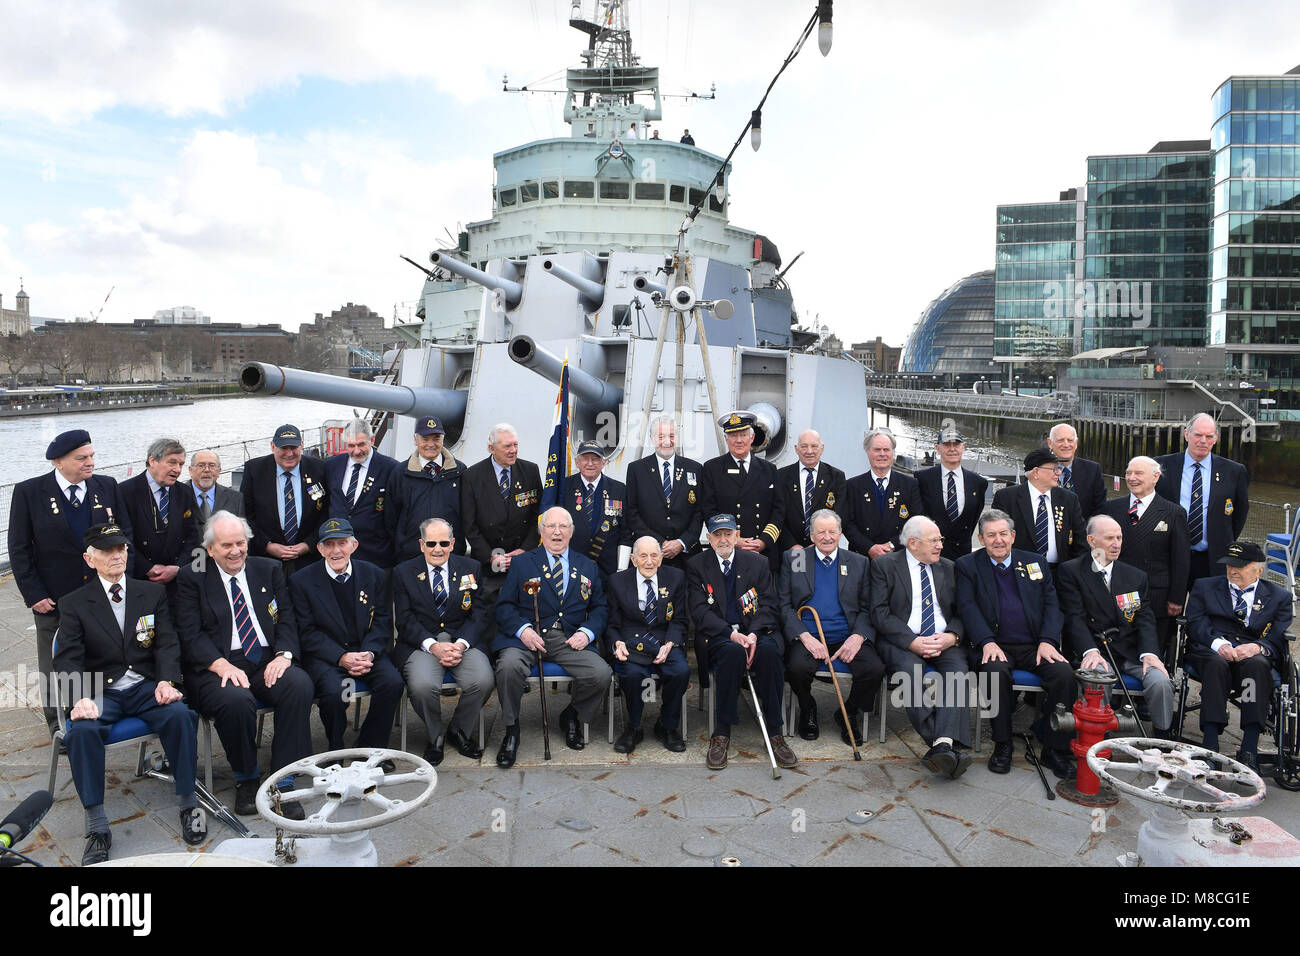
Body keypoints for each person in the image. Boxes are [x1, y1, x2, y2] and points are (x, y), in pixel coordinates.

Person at [52, 523, 203, 865]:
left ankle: (188, 803)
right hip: (100, 692)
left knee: (180, 715)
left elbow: (166, 642)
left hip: (144, 685)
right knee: (81, 733)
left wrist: (167, 681)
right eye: (107, 551)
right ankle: (97, 825)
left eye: (120, 548)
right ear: (89, 559)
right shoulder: (74, 603)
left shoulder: (149, 593)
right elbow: (68, 657)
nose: (117, 555)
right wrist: (79, 698)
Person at [173, 511, 312, 818]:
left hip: (265, 658)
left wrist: (284, 655)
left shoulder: (269, 569)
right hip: (216, 663)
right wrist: (219, 664)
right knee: (235, 700)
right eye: (226, 545)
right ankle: (246, 778)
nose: (236, 551)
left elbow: (287, 617)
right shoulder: (191, 577)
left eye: (240, 542)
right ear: (210, 549)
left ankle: (284, 779)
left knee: (299, 684)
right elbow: (189, 633)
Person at [7, 428, 132, 735]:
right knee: (54, 659)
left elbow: (124, 535)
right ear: (58, 461)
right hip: (54, 595)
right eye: (81, 458)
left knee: (99, 651)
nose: (90, 462)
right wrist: (33, 593)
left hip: (101, 591)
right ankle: (58, 722)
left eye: (91, 456)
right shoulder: (29, 492)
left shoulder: (106, 486)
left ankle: (93, 708)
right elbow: (19, 548)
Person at [954, 509, 1076, 777]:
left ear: (1013, 535)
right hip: (994, 645)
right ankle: (1002, 744)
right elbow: (967, 607)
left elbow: (1052, 605)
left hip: (1035, 646)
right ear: (981, 538)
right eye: (991, 535)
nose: (998, 540)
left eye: (1003, 534)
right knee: (995, 673)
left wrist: (1047, 641)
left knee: (1064, 675)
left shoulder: (1035, 562)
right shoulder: (967, 565)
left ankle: (1054, 749)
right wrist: (986, 641)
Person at [491, 507, 611, 769]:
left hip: (569, 638)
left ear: (571, 532)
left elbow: (601, 608)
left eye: (563, 526)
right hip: (527, 637)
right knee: (508, 667)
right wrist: (523, 630)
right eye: (551, 526)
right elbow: (504, 606)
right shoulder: (523, 563)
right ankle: (512, 730)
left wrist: (587, 632)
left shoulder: (587, 565)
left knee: (601, 674)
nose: (557, 532)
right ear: (541, 530)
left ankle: (572, 715)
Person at [688, 514, 796, 771]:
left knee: (770, 654)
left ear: (737, 535)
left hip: (756, 633)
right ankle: (721, 733)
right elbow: (699, 611)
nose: (723, 539)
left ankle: (775, 732)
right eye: (717, 534)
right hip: (720, 636)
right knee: (732, 654)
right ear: (708, 538)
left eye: (728, 534)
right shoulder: (696, 565)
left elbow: (769, 604)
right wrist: (731, 634)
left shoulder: (758, 563)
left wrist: (754, 634)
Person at [870, 515, 973, 778]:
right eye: (934, 540)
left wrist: (953, 636)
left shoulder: (949, 567)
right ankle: (945, 744)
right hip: (902, 641)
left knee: (958, 675)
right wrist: (911, 641)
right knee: (911, 676)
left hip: (944, 640)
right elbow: (879, 613)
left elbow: (965, 611)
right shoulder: (885, 566)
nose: (940, 545)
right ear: (913, 543)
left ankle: (941, 748)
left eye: (940, 540)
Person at [289, 518, 402, 754]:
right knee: (332, 693)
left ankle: (370, 748)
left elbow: (382, 622)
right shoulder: (301, 581)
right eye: (329, 544)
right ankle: (336, 749)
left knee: (392, 683)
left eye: (342, 543)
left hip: (365, 650)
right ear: (320, 549)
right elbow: (306, 632)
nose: (336, 550)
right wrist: (341, 657)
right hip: (327, 656)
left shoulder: (375, 575)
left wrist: (368, 654)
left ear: (354, 545)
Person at [1055, 515, 1174, 737]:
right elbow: (1074, 617)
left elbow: (1145, 618)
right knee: (1098, 679)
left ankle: (1162, 738)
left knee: (1161, 681)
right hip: (1095, 649)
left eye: (1119, 537)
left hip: (1131, 653)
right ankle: (1097, 736)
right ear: (1092, 541)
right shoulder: (1071, 571)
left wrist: (1149, 653)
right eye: (1110, 538)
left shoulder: (1135, 576)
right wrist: (1089, 650)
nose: (1117, 543)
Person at [778, 509, 884, 747]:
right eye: (820, 532)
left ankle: (848, 713)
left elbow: (869, 608)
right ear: (811, 535)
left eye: (832, 531)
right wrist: (804, 637)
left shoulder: (859, 562)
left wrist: (858, 637)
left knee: (874, 668)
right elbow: (784, 605)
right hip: (809, 635)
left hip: (847, 635)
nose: (827, 537)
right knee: (795, 668)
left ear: (841, 533)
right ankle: (808, 709)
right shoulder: (797, 559)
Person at [1184, 541, 1292, 769]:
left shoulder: (1279, 597)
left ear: (1259, 570)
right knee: (1216, 664)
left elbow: (1279, 633)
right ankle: (1210, 743)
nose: (1232, 570)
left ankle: (1250, 747)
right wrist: (1217, 643)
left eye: (1240, 566)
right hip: (1211, 650)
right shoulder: (1205, 586)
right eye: (1229, 565)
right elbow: (1195, 622)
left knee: (1257, 666)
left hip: (1251, 656)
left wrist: (1258, 647)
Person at [391, 518, 491, 765]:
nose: (438, 549)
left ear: (453, 543)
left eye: (444, 543)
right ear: (421, 544)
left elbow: (480, 613)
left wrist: (461, 644)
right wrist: (433, 646)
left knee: (484, 680)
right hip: (422, 643)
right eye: (431, 543)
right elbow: (404, 619)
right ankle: (434, 736)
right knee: (423, 686)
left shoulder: (471, 567)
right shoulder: (403, 572)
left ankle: (459, 730)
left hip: (461, 641)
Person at [1101, 456, 1189, 663]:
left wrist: (1177, 597)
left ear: (1155, 477)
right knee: (1117, 649)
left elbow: (1181, 559)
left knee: (1152, 649)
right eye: (1129, 473)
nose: (1132, 478)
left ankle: (1147, 692)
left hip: (1156, 594)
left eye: (1138, 473)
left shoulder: (1173, 512)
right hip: (1117, 590)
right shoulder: (1111, 509)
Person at [607, 536, 689, 754]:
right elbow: (612, 624)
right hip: (632, 644)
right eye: (643, 556)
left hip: (664, 641)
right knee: (633, 675)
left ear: (661, 558)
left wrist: (671, 642)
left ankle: (667, 725)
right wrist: (617, 643)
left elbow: (680, 619)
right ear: (633, 559)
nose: (649, 561)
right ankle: (634, 727)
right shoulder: (617, 581)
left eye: (654, 555)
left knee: (681, 671)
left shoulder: (676, 577)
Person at [1155, 413, 1250, 588]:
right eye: (1198, 435)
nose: (1203, 441)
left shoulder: (1234, 472)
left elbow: (1240, 514)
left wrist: (1220, 539)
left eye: (1209, 436)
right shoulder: (1160, 467)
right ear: (1186, 435)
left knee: (1208, 613)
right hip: (1170, 556)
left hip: (1212, 559)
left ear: (1216, 438)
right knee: (1168, 611)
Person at [460, 423, 542, 608]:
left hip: (522, 559)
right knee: (489, 616)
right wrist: (491, 556)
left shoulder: (530, 471)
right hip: (489, 565)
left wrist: (525, 550)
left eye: (515, 445)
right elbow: (469, 525)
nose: (513, 450)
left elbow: (537, 516)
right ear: (491, 448)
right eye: (507, 446)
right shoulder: (472, 476)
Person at [698, 411, 784, 570]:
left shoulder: (769, 470)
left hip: (763, 552)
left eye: (743, 435)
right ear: (726, 439)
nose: (738, 440)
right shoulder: (712, 469)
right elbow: (709, 510)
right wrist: (734, 540)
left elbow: (779, 511)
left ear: (751, 438)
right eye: (733, 436)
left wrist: (763, 541)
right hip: (726, 551)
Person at [242, 424, 329, 578]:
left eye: (294, 447)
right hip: (266, 560)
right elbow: (246, 515)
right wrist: (267, 546)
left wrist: (308, 545)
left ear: (302, 445)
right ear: (272, 446)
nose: (289, 454)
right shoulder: (254, 470)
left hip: (309, 560)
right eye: (283, 448)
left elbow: (325, 513)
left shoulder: (319, 469)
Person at [119, 438, 201, 597]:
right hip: (141, 581)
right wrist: (146, 568)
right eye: (171, 462)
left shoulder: (185, 492)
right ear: (152, 460)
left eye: (181, 464)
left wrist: (178, 568)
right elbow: (122, 538)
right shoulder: (125, 492)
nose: (177, 469)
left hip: (177, 583)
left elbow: (193, 535)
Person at [624, 416, 704, 572]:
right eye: (661, 437)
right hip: (649, 556)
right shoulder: (636, 469)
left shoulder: (694, 468)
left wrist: (681, 542)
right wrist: (658, 543)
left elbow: (699, 512)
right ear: (652, 439)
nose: (667, 441)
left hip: (687, 557)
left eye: (672, 436)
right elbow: (632, 512)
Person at [990, 448, 1086, 572]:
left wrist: (1073, 570)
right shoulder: (1006, 498)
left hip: (1059, 573)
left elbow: (1081, 540)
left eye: (1059, 468)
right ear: (1036, 472)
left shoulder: (1068, 499)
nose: (1058, 473)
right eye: (1054, 469)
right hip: (1019, 571)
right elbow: (998, 539)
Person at [387, 416, 465, 564]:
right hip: (411, 556)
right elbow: (391, 518)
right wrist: (403, 543)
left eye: (436, 438)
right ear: (415, 440)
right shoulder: (400, 473)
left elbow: (466, 513)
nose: (431, 444)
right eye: (425, 438)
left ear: (443, 440)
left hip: (450, 554)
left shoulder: (459, 471)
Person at [325, 419, 400, 569]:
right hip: (338, 556)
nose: (357, 451)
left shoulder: (391, 468)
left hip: (376, 557)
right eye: (351, 446)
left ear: (372, 440)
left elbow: (397, 514)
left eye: (361, 445)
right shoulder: (331, 466)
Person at [844, 427, 922, 560]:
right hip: (862, 557)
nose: (882, 454)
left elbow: (915, 521)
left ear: (893, 453)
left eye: (886, 450)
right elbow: (847, 524)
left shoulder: (910, 485)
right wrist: (869, 547)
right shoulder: (852, 486)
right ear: (868, 452)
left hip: (898, 557)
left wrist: (892, 545)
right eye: (876, 450)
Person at [914, 426, 989, 561]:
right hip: (930, 552)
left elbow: (972, 520)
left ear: (963, 447)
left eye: (956, 444)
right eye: (947, 444)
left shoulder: (978, 483)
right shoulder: (922, 479)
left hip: (963, 554)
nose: (952, 449)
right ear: (937, 448)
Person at [562, 440, 628, 579]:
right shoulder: (564, 487)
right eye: (585, 458)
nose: (590, 463)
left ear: (604, 462)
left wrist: (622, 569)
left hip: (607, 571)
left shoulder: (619, 489)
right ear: (577, 462)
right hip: (571, 567)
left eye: (595, 459)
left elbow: (626, 532)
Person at [775, 429, 847, 552]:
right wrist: (792, 545)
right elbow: (778, 514)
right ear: (796, 449)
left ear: (822, 448)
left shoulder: (836, 477)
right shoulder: (781, 476)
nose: (809, 451)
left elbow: (839, 515)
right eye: (804, 446)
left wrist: (819, 543)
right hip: (792, 550)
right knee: (798, 570)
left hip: (824, 548)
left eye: (814, 446)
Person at [1047, 423, 1107, 521]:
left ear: (1076, 443)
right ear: (1050, 443)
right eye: (1060, 440)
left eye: (1070, 440)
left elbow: (1100, 507)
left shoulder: (1093, 470)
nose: (1066, 444)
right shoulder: (1040, 470)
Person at [185, 449, 243, 519]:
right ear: (191, 470)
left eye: (212, 465)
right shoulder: (177, 495)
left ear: (219, 471)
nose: (207, 470)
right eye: (201, 465)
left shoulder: (235, 498)